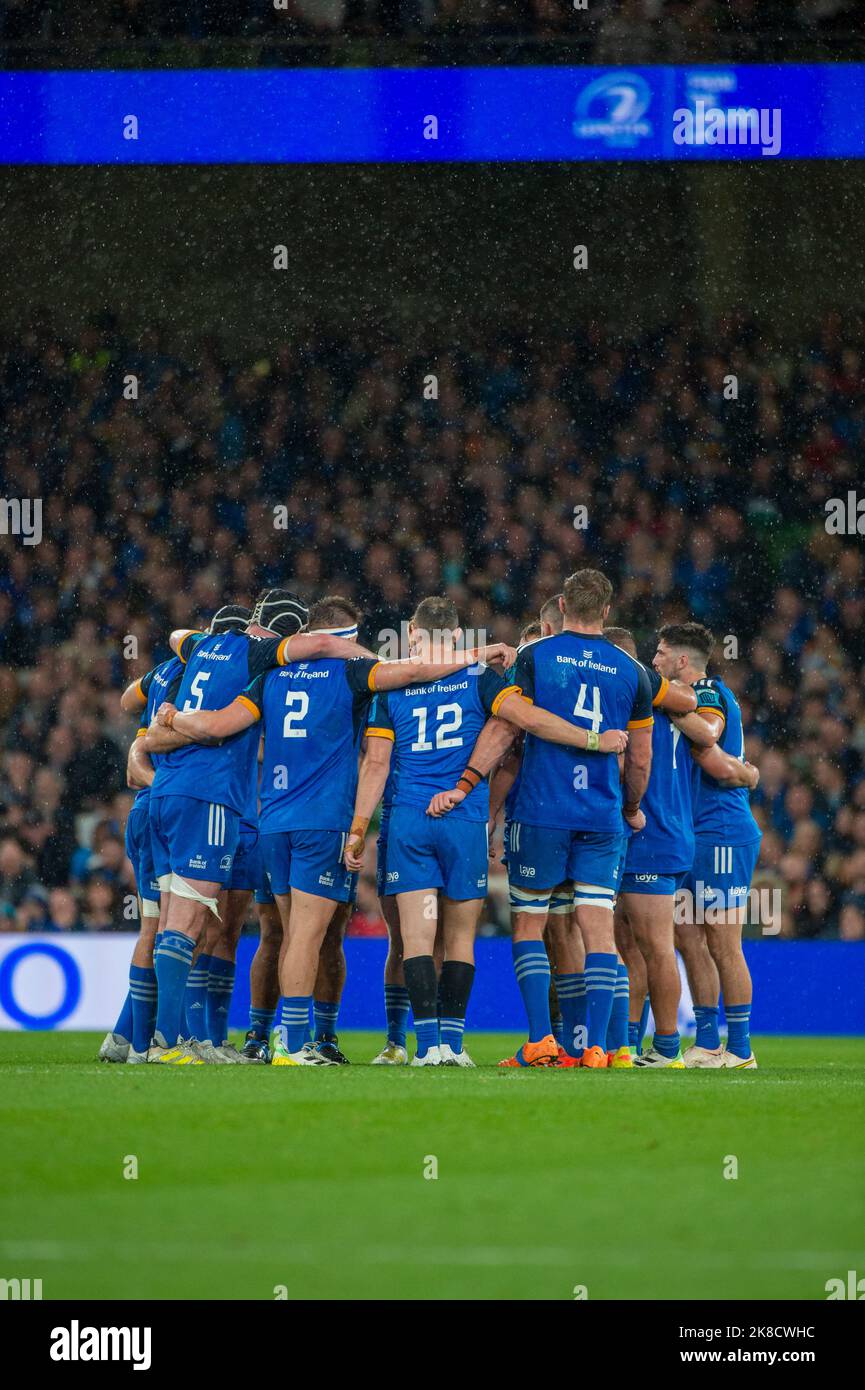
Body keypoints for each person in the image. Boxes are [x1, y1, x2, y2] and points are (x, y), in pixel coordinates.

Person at [158, 593, 516, 1066]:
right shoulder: (354, 673)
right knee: (310, 937)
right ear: (342, 639)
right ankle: (298, 1041)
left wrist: (176, 717)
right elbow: (410, 673)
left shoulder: (267, 677)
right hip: (323, 822)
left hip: (271, 823)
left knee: (282, 936)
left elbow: (221, 723)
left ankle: (264, 1038)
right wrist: (476, 653)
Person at [347, 594, 628, 1067]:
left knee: (414, 940)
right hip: (464, 819)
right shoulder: (482, 679)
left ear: (413, 634)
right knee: (459, 939)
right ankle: (455, 1047)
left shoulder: (389, 687)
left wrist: (358, 829)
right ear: (457, 636)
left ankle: (426, 1045)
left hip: (411, 818)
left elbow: (375, 764)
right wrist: (593, 739)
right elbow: (526, 721)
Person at [654, 622, 763, 1069]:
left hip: (721, 832)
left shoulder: (708, 692)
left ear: (683, 661)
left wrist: (671, 706)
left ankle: (739, 1048)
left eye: (661, 653)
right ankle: (705, 1040)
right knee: (689, 938)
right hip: (690, 834)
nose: (655, 659)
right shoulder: (683, 696)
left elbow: (711, 734)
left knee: (722, 941)